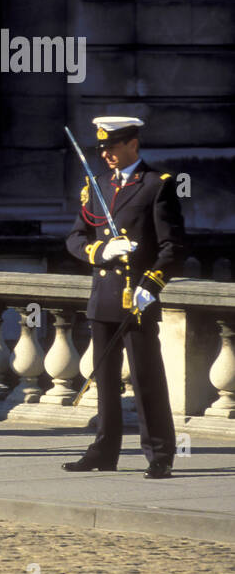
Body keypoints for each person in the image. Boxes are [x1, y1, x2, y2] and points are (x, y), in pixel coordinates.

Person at [63, 116, 185, 479]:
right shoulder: (96, 185)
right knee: (106, 379)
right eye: (102, 148)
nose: (106, 154)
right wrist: (101, 251)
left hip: (137, 297)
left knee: (147, 379)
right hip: (103, 296)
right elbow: (75, 238)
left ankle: (159, 453)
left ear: (133, 144)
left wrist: (152, 285)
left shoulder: (157, 185)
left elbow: (172, 247)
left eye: (112, 147)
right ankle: (104, 450)